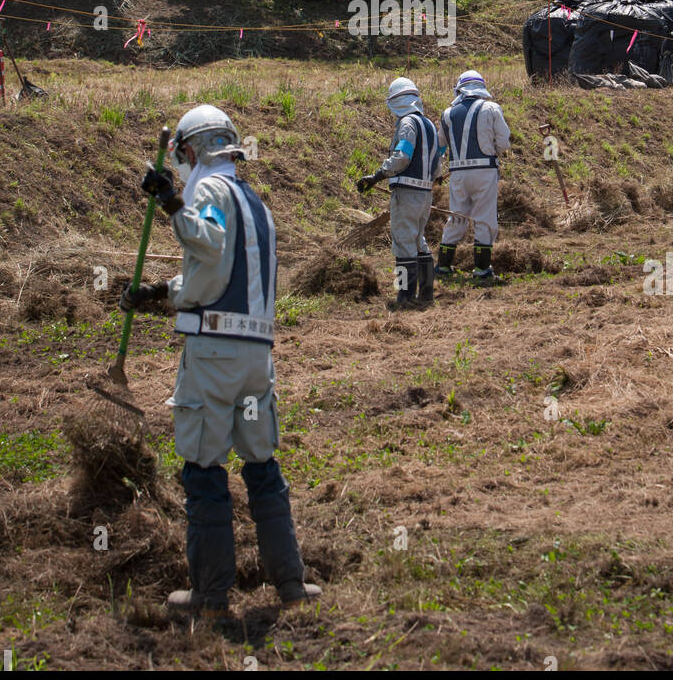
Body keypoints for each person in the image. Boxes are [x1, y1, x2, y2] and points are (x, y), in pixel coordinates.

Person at [121, 104, 320, 622]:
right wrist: (160, 292)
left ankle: (209, 596)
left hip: (214, 355)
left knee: (203, 465)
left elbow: (206, 244)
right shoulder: (255, 202)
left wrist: (169, 201)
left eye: (181, 160)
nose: (182, 169)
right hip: (257, 356)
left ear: (191, 151)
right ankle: (291, 582)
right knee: (261, 463)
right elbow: (222, 276)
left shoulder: (208, 192)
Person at [356, 76, 439, 311]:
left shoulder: (407, 124)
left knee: (403, 243)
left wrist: (378, 175)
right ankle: (426, 292)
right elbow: (438, 161)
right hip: (425, 192)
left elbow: (403, 156)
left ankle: (404, 295)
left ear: (397, 102)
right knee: (419, 240)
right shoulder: (429, 125)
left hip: (407, 192)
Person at [436, 69, 511, 286]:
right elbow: (504, 142)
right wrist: (492, 150)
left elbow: (441, 143)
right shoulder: (491, 108)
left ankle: (442, 266)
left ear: (460, 89)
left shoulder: (447, 113)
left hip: (457, 173)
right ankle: (481, 270)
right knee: (484, 217)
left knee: (456, 216)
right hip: (484, 170)